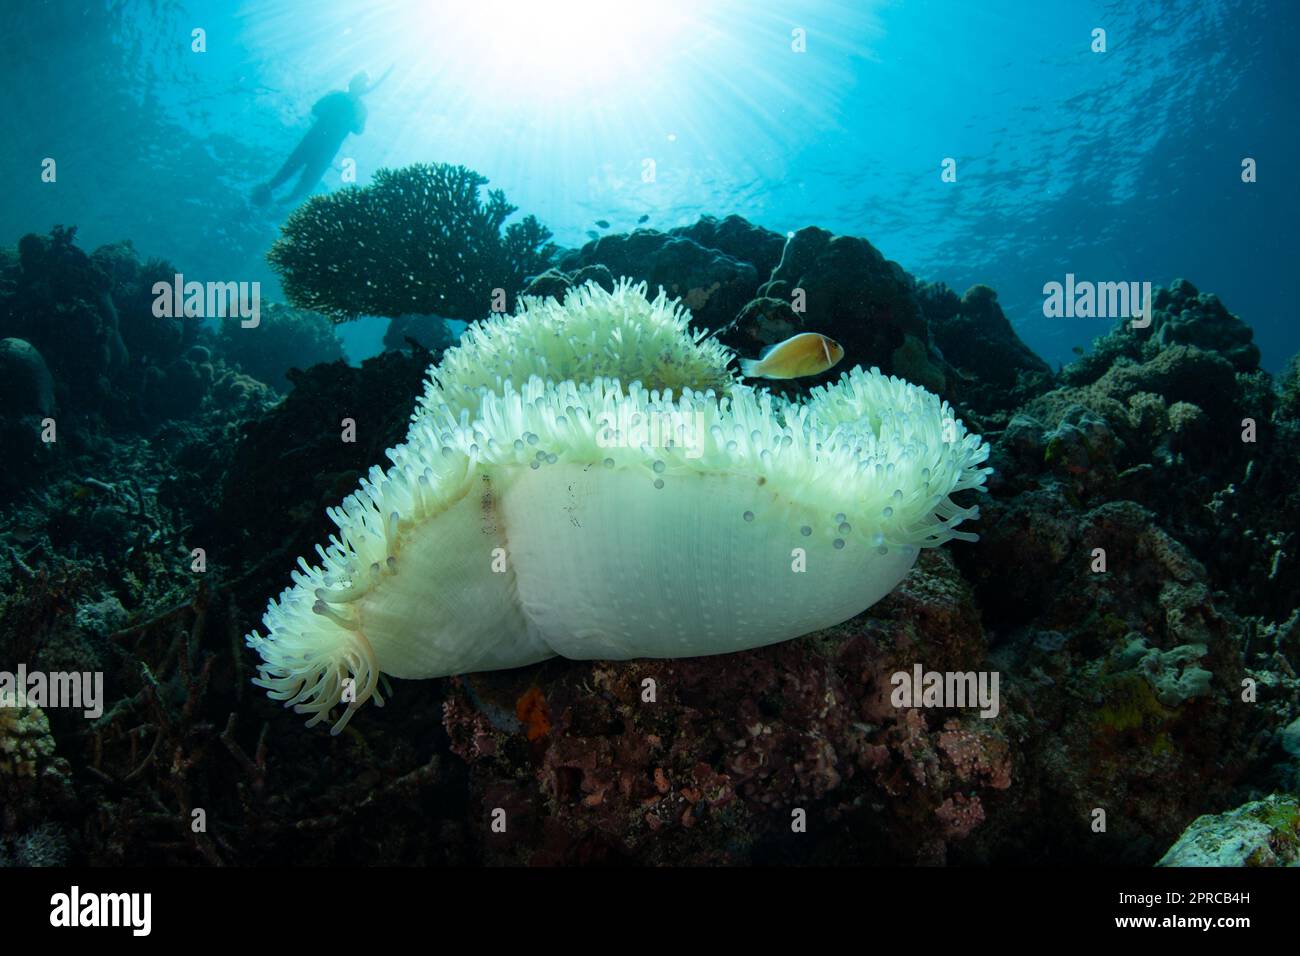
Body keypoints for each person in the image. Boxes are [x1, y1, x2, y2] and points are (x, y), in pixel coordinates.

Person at [253, 68, 392, 206]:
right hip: (319, 142)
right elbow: (355, 129)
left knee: (306, 175)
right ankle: (275, 196)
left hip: (321, 142)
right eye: (357, 82)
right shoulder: (351, 103)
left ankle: (283, 199)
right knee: (299, 170)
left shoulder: (348, 102)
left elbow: (319, 111)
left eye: (360, 83)